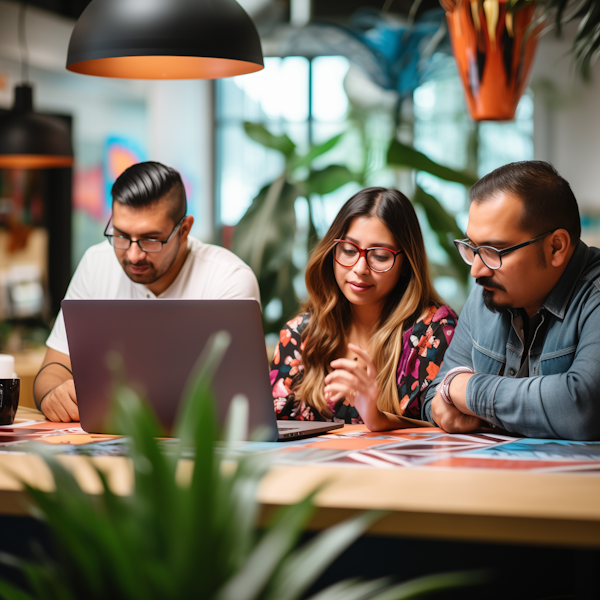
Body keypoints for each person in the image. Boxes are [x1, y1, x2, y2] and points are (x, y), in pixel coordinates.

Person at [35, 161, 260, 422]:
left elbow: (236, 401)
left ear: (184, 230)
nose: (133, 254)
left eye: (150, 239)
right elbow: (52, 369)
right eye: (120, 235)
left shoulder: (228, 279)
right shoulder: (96, 263)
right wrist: (54, 394)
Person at [423, 160, 600, 441]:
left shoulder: (595, 297)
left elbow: (583, 407)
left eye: (494, 250)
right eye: (472, 248)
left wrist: (466, 391)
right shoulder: (489, 293)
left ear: (556, 247)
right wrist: (442, 404)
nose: (477, 270)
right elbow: (435, 393)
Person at [270, 187, 457, 430]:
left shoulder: (433, 333)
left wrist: (377, 417)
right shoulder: (298, 336)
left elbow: (449, 429)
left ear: (406, 264)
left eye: (380, 256)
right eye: (348, 250)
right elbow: (272, 429)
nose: (360, 268)